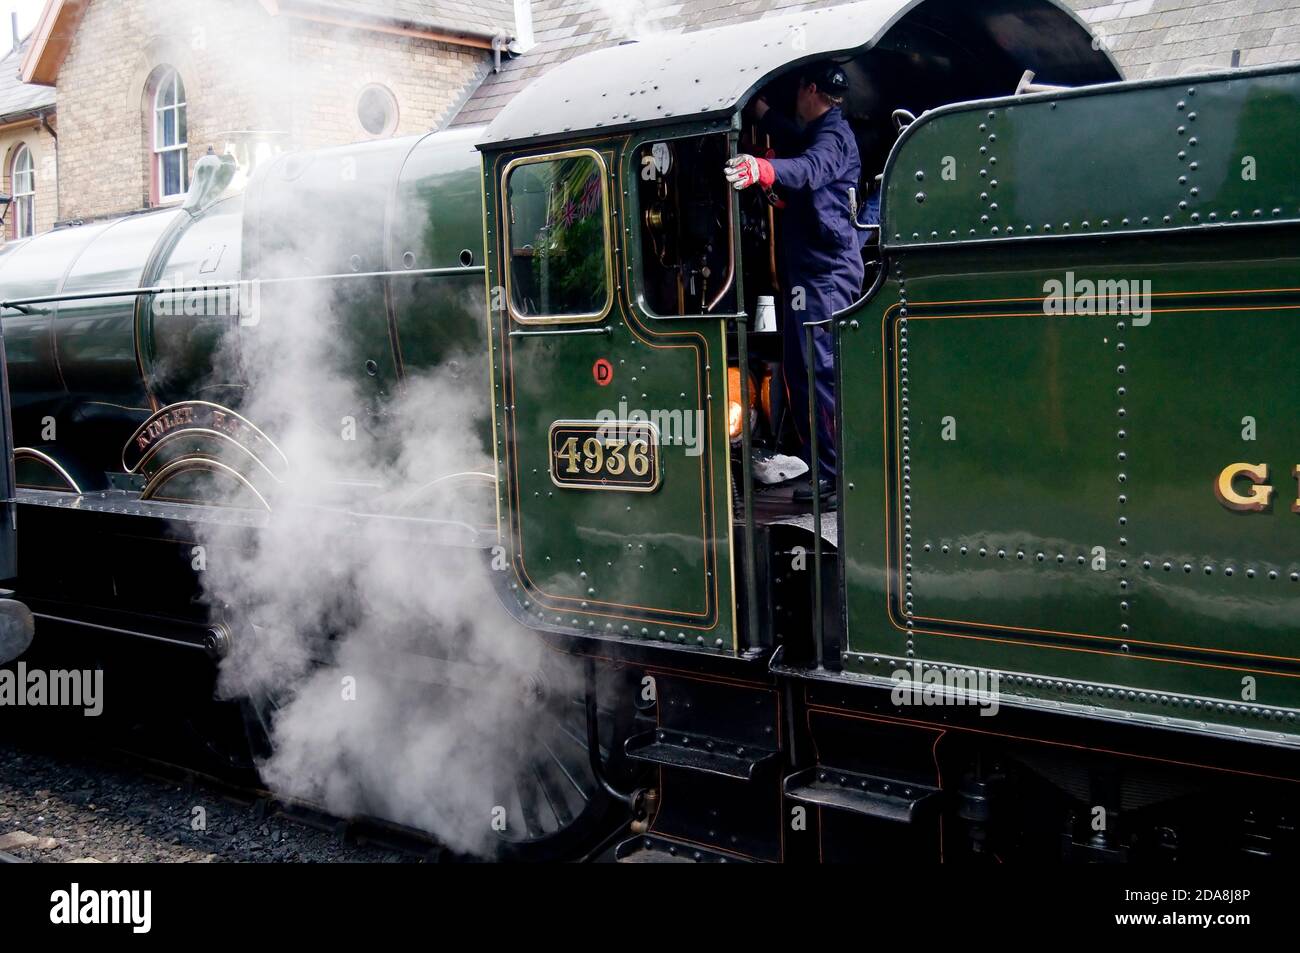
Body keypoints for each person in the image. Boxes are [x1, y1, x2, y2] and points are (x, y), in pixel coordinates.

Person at [724, 62, 863, 506]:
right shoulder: (819, 129)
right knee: (801, 369)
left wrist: (762, 171)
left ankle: (836, 475)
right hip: (808, 273)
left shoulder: (833, 139)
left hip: (826, 272)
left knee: (819, 371)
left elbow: (807, 167)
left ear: (810, 90)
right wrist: (760, 113)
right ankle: (823, 466)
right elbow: (794, 141)